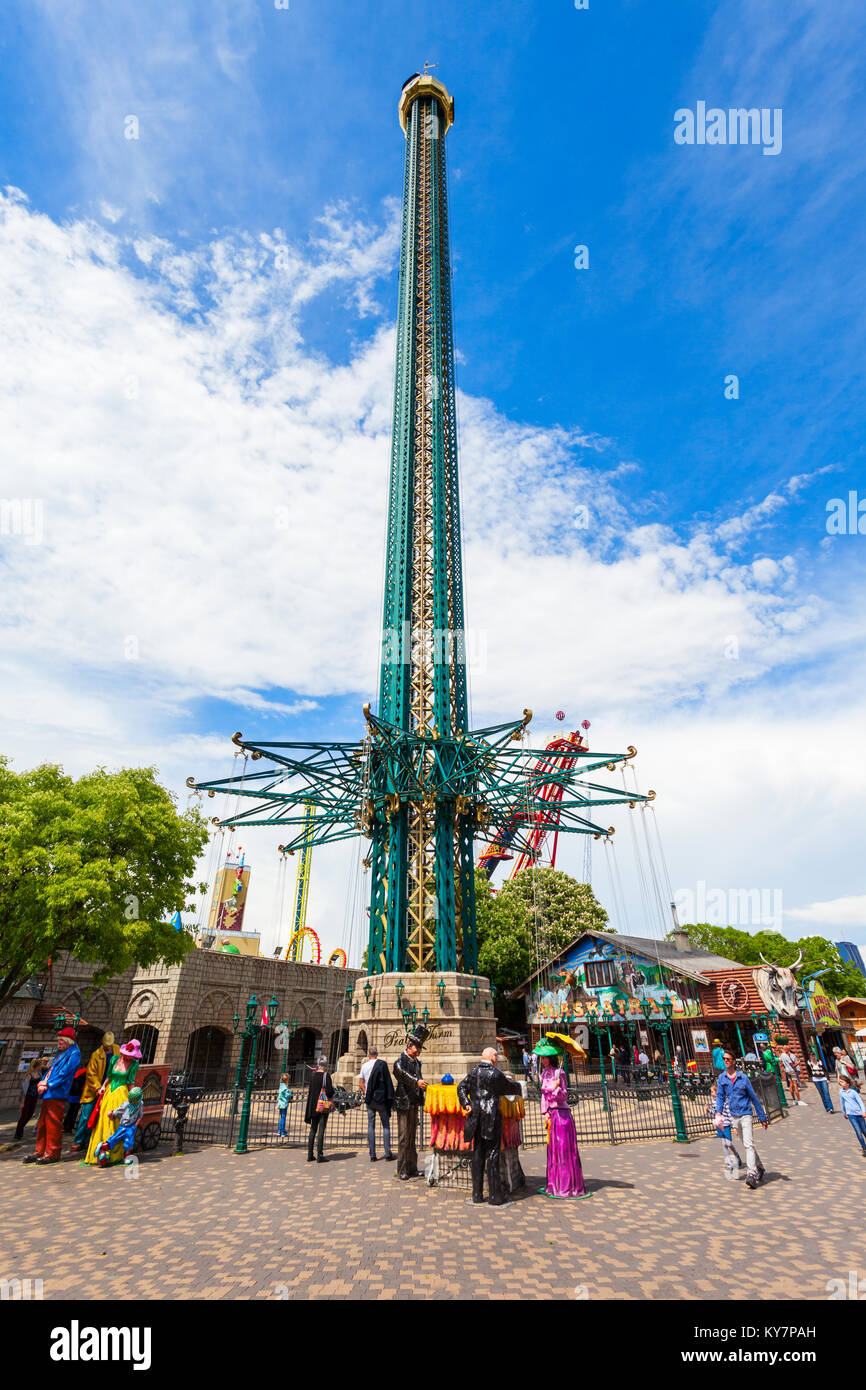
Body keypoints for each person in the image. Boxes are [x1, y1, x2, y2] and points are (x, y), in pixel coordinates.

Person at [458, 1047, 522, 1207]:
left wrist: (466, 1103)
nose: (497, 1057)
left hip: (475, 1118)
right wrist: (518, 1085)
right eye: (496, 1055)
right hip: (491, 1118)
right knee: (493, 1155)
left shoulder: (473, 1072)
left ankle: (477, 1194)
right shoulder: (495, 1073)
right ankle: (495, 1196)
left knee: (478, 1154)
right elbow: (509, 1089)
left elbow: (461, 1087)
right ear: (492, 1057)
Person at [533, 1040, 590, 1199]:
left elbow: (564, 1096)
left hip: (561, 1114)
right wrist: (544, 1112)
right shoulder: (544, 1073)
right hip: (551, 1115)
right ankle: (554, 1184)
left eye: (546, 1058)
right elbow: (544, 1096)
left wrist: (557, 1088)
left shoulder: (561, 1073)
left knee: (564, 1150)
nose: (543, 1060)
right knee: (553, 1151)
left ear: (552, 1058)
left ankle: (567, 1186)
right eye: (542, 1058)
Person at [23, 1028, 81, 1165]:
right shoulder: (62, 1053)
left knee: (53, 1122)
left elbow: (65, 1074)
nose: (58, 1043)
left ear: (68, 1041)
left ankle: (53, 1152)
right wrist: (42, 1081)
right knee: (42, 1122)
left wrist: (48, 1084)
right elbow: (51, 1069)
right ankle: (40, 1150)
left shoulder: (74, 1053)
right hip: (48, 1091)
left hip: (57, 1091)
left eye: (61, 1040)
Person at [714, 1050, 768, 1190]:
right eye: (724, 1059)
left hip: (746, 1114)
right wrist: (718, 1112)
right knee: (746, 1143)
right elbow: (720, 1096)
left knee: (748, 1145)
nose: (725, 1061)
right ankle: (759, 1166)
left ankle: (752, 1174)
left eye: (728, 1059)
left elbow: (754, 1098)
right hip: (733, 1115)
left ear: (733, 1062)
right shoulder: (722, 1078)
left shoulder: (743, 1078)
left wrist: (762, 1117)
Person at [84, 1038, 141, 1166]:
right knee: (104, 1118)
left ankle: (115, 1154)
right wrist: (103, 1086)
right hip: (110, 1092)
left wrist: (134, 1100)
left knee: (118, 1121)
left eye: (130, 1056)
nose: (128, 1058)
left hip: (122, 1093)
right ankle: (101, 1148)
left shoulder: (133, 1065)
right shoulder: (114, 1059)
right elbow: (109, 1076)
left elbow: (131, 1082)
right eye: (127, 1055)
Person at [71, 1032, 119, 1152]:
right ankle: (80, 1140)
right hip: (93, 1091)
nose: (108, 1047)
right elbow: (91, 1074)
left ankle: (94, 1140)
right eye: (106, 1045)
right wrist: (98, 1088)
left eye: (110, 1045)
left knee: (104, 1116)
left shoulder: (117, 1051)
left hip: (109, 1088)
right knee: (86, 1116)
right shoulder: (96, 1055)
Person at [392, 1027, 428, 1180]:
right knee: (403, 1138)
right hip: (404, 1103)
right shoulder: (399, 1061)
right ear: (409, 1045)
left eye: (420, 1048)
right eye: (417, 1047)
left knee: (412, 1137)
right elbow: (401, 1074)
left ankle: (412, 1168)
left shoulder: (417, 1062)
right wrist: (416, 1082)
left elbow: (418, 1078)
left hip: (413, 1102)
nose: (419, 1050)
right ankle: (401, 1170)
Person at [360, 1047, 395, 1162]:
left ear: (369, 1055)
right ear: (377, 1054)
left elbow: (361, 1083)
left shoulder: (364, 1066)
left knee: (371, 1125)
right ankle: (388, 1153)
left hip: (370, 1100)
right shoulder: (382, 1065)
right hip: (381, 1100)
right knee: (385, 1125)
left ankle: (372, 1155)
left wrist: (366, 1093)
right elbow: (388, 1082)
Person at [94, 1087, 143, 1167]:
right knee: (115, 1137)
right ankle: (104, 1147)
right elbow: (117, 1111)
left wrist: (135, 1126)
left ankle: (127, 1156)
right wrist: (111, 1114)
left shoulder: (140, 1104)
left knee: (129, 1142)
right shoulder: (126, 1104)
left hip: (131, 1127)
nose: (134, 1103)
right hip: (123, 1126)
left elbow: (140, 1116)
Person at [304, 1057, 334, 1162]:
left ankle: (310, 1154)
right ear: (325, 1065)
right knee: (321, 1130)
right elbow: (330, 1092)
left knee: (313, 1130)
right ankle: (320, 1155)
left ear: (318, 1064)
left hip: (313, 1106)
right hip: (323, 1106)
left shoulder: (313, 1076)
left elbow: (311, 1091)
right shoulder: (326, 1076)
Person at [15, 1058, 46, 1143]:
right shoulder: (29, 1075)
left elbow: (47, 1067)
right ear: (37, 1065)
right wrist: (22, 1102)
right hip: (27, 1097)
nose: (41, 1066)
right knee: (24, 1115)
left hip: (34, 1096)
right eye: (40, 1065)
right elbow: (24, 1090)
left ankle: (21, 1128)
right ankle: (18, 1132)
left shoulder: (39, 1073)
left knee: (30, 1114)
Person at [838, 1075, 866, 1155]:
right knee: (858, 1131)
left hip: (859, 1113)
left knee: (864, 1130)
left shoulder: (853, 1092)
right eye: (840, 1082)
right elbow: (842, 1103)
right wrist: (844, 1113)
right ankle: (864, 1148)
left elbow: (860, 1102)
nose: (840, 1083)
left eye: (842, 1082)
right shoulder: (841, 1092)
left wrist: (863, 1111)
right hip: (851, 1115)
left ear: (847, 1083)